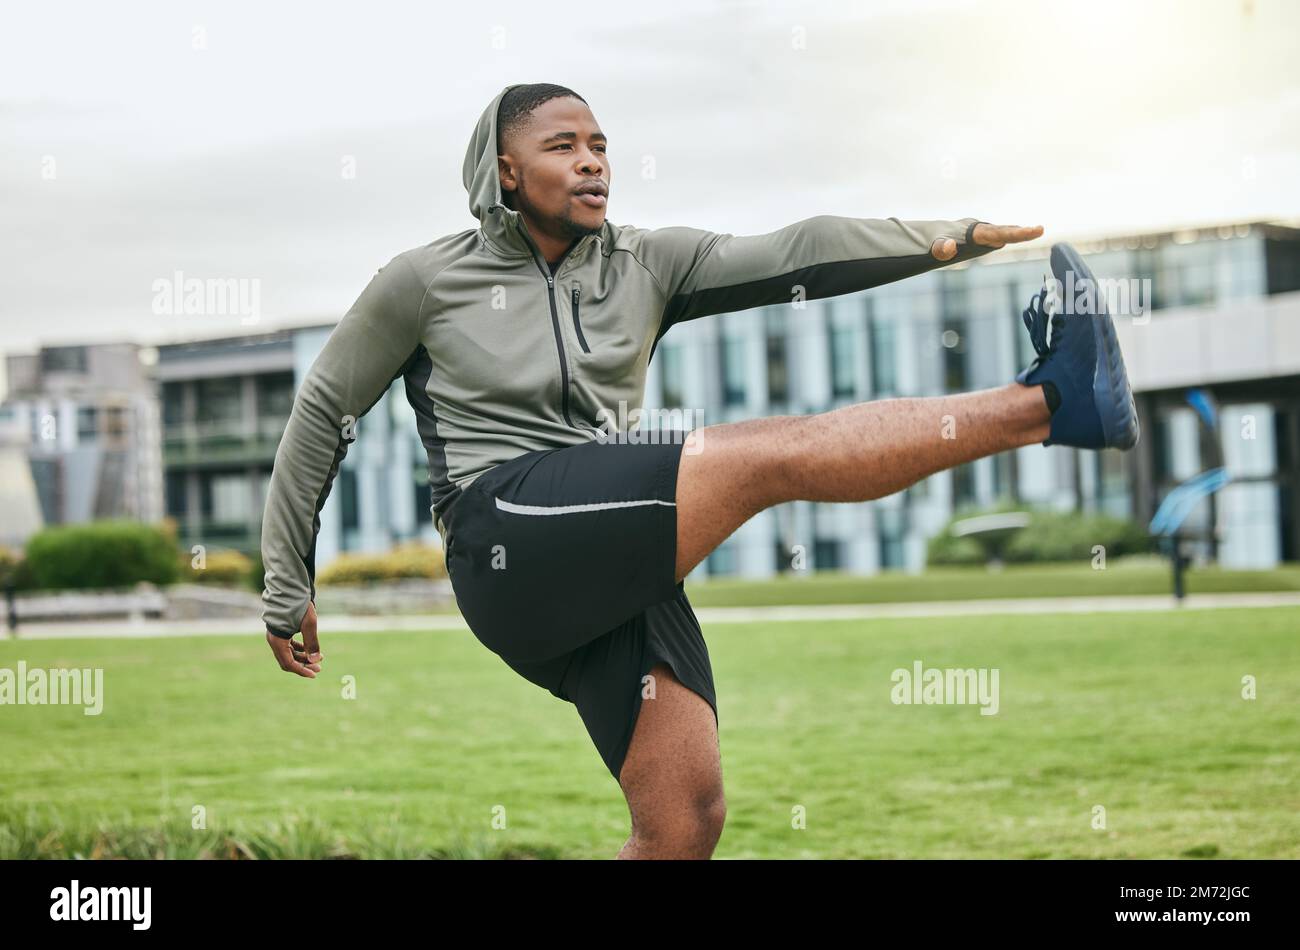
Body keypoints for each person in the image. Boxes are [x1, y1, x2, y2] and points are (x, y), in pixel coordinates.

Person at [260, 82, 1138, 859]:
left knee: (684, 825)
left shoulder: (648, 264)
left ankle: (1058, 403)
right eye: (563, 146)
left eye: (600, 145)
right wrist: (285, 576)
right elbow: (320, 411)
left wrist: (949, 238)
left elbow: (794, 252)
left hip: (611, 553)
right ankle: (1053, 404)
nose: (593, 162)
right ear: (506, 172)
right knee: (768, 455)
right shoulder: (423, 280)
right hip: (507, 535)